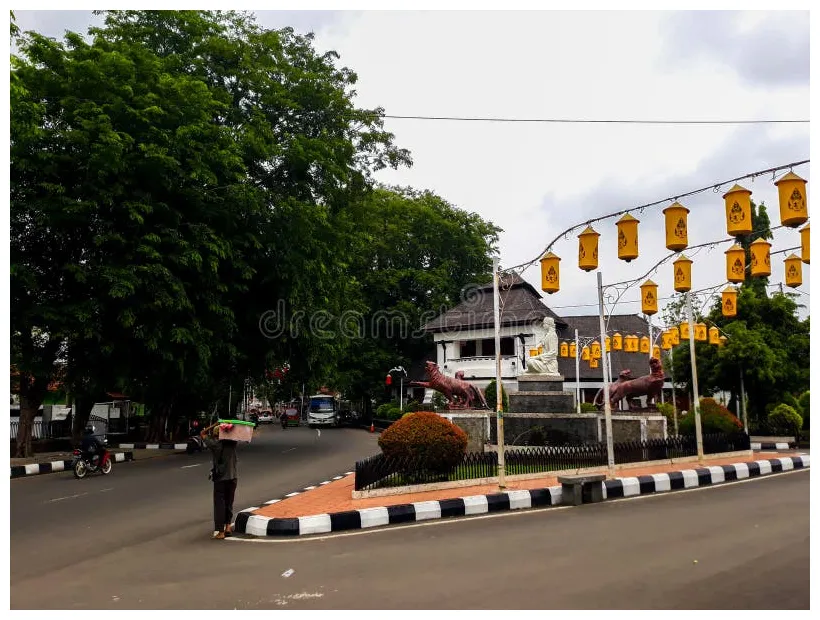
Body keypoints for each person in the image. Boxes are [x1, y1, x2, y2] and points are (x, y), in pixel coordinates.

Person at [201, 424, 239, 540]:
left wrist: (213, 426)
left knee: (219, 505)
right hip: (233, 478)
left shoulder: (214, 444)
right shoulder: (232, 443)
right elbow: (236, 434)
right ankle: (228, 527)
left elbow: (202, 434)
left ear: (216, 434)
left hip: (220, 479)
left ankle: (221, 531)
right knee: (229, 503)